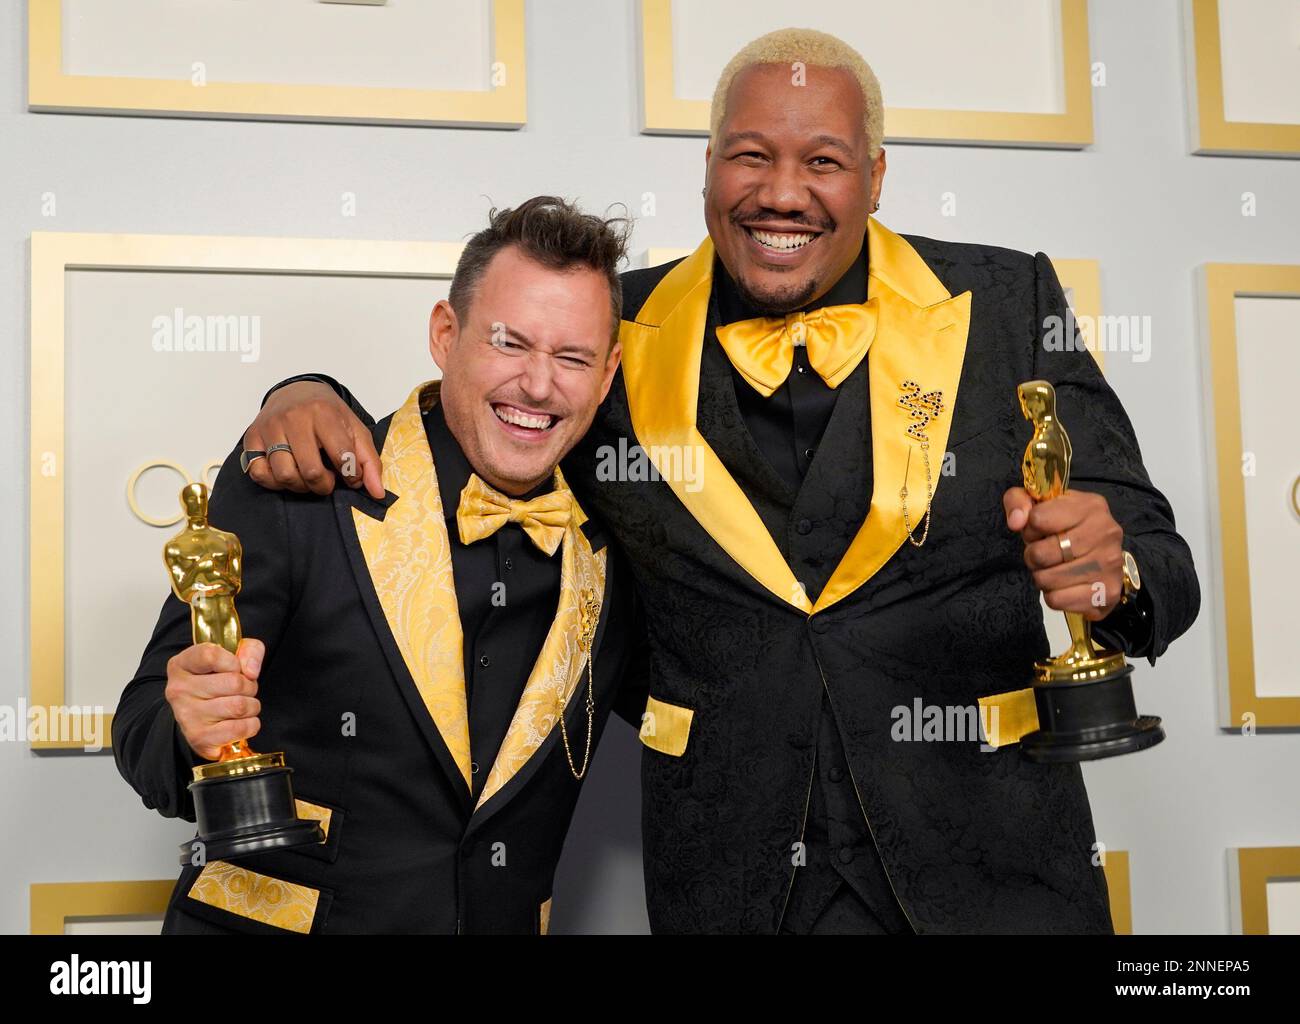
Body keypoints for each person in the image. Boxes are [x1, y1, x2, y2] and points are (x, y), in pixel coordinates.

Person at [238, 29, 1199, 934]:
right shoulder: (614, 326)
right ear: (706, 171)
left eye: (823, 160)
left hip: (997, 868)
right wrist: (307, 393)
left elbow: (1155, 548)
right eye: (750, 155)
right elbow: (483, 418)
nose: (784, 192)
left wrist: (1118, 577)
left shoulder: (1005, 300)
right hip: (728, 879)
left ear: (875, 177)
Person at [113, 197, 645, 934]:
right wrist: (188, 726)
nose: (538, 384)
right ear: (445, 333)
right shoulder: (302, 477)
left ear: (608, 369)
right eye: (510, 343)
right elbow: (140, 731)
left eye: (573, 357)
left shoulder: (619, 552)